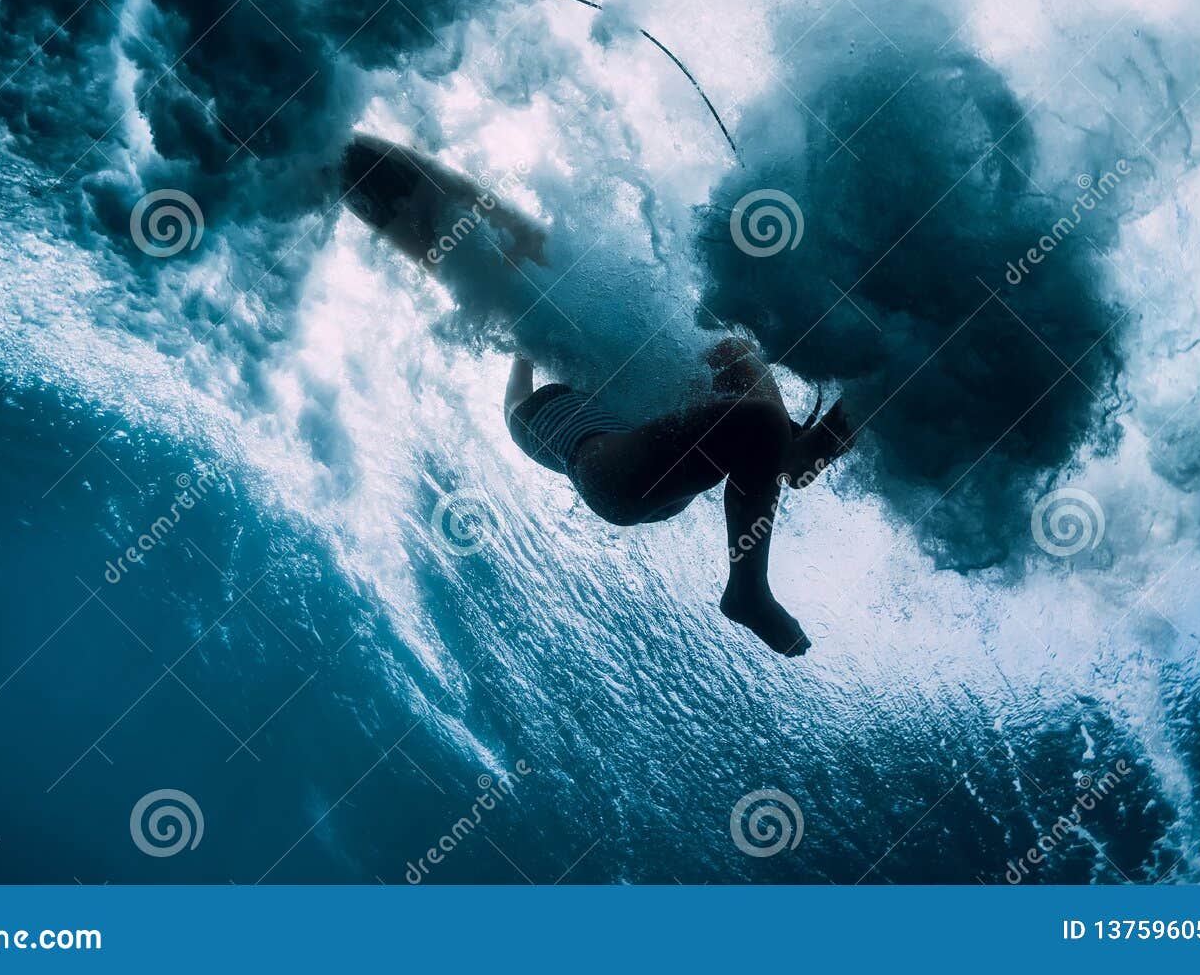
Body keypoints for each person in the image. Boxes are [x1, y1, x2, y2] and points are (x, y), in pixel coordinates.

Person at [336, 133, 852, 655]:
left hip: (668, 456)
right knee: (757, 422)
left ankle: (801, 450)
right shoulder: (533, 407)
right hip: (615, 480)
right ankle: (748, 590)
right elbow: (508, 348)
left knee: (732, 353)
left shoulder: (610, 360)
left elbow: (532, 249)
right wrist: (523, 344)